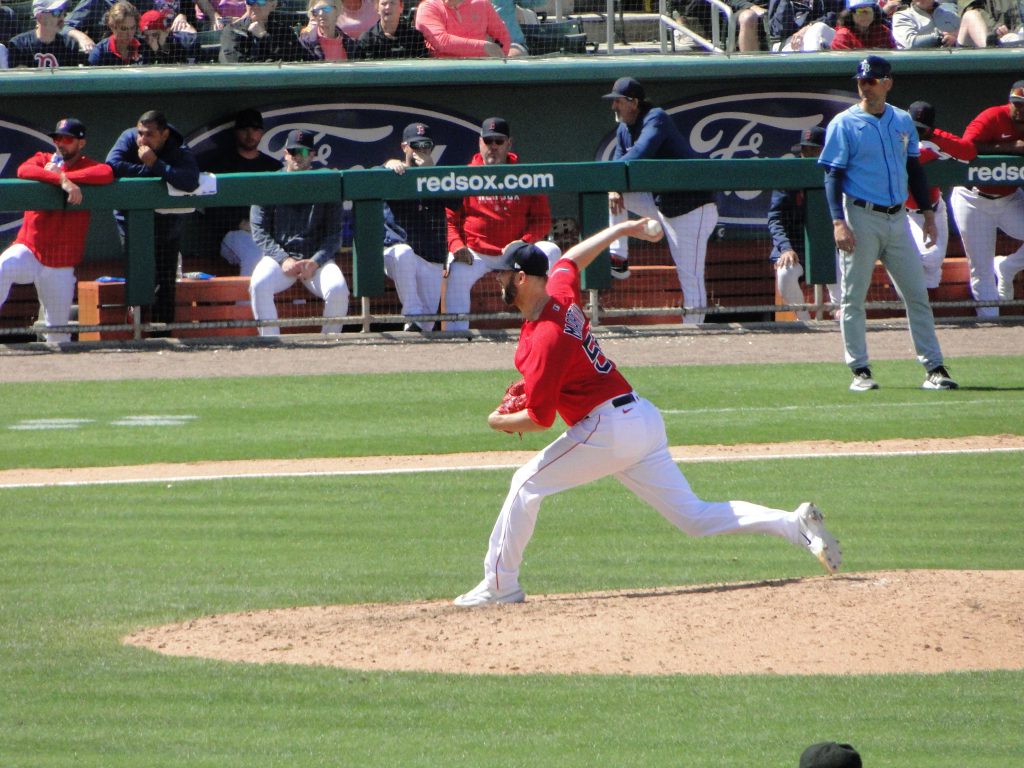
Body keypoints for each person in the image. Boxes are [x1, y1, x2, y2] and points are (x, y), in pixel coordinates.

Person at [451, 223, 842, 607]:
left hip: (608, 429)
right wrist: (625, 227)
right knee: (694, 517)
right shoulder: (558, 292)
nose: (496, 279)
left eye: (501, 273)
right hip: (640, 418)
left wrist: (496, 421)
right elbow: (571, 258)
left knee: (525, 484)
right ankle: (793, 525)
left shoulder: (544, 338)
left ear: (520, 278)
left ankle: (500, 584)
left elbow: (540, 419)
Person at [818, 55, 957, 392]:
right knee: (852, 297)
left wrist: (926, 213)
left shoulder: (901, 120)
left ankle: (934, 368)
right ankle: (860, 370)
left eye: (872, 80)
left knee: (916, 294)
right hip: (860, 216)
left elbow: (914, 170)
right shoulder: (844, 123)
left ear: (887, 82)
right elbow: (832, 176)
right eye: (861, 81)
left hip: (898, 217)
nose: (865, 86)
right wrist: (838, 222)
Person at [602, 76, 718, 325]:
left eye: (618, 102)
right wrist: (614, 186)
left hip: (692, 207)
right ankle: (618, 258)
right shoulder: (624, 128)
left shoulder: (656, 117)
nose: (614, 107)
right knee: (613, 194)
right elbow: (617, 164)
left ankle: (694, 333)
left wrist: (614, 179)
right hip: (662, 204)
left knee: (690, 276)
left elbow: (641, 153)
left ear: (633, 102)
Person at [0, 118, 113, 343]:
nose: (61, 143)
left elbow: (106, 173)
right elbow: (24, 170)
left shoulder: (88, 166)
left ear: (81, 143)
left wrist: (64, 178)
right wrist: (59, 179)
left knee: (58, 334)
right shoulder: (43, 159)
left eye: (67, 139)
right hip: (31, 249)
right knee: (4, 266)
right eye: (57, 138)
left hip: (61, 260)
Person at [443, 116, 561, 332]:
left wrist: (523, 243)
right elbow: (450, 220)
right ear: (480, 143)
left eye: (499, 141)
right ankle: (455, 334)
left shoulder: (526, 175)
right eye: (488, 141)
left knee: (550, 250)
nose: (493, 147)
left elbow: (541, 220)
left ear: (509, 143)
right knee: (456, 270)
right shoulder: (465, 175)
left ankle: (551, 322)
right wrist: (457, 246)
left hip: (516, 253)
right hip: (477, 253)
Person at [248, 129, 350, 337]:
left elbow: (334, 235)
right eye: (293, 152)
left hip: (315, 261)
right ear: (285, 153)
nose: (297, 157)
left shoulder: (326, 183)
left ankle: (329, 343)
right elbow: (259, 230)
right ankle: (270, 341)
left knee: (338, 288)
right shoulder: (270, 183)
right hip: (280, 259)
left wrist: (316, 261)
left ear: (312, 154)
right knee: (258, 284)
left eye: (303, 152)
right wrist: (282, 258)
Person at [106, 109, 200, 329]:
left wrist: (156, 163)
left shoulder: (175, 144)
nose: (142, 140)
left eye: (149, 134)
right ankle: (134, 331)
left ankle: (163, 333)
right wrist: (151, 170)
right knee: (138, 273)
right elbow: (112, 165)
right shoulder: (128, 139)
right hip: (130, 218)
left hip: (167, 222)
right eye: (140, 133)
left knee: (166, 278)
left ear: (164, 134)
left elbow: (190, 180)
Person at [949, 82, 1024, 316]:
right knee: (980, 268)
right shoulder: (993, 116)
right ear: (1010, 101)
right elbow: (966, 147)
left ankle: (1006, 266)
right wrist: (1010, 147)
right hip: (973, 199)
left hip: (1009, 198)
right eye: (1017, 104)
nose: (1020, 110)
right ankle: (990, 324)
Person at [198, 108, 282, 277]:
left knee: (288, 256)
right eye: (245, 129)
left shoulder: (273, 167)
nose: (250, 135)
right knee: (254, 255)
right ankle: (245, 303)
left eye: (255, 130)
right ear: (236, 132)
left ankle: (294, 303)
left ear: (262, 132)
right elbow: (211, 211)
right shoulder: (220, 166)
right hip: (232, 234)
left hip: (267, 233)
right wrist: (241, 223)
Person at [381, 122, 449, 332]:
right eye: (415, 144)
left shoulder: (441, 177)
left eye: (426, 145)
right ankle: (412, 312)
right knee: (404, 253)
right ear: (404, 147)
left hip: (430, 256)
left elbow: (456, 202)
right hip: (397, 254)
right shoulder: (393, 173)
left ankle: (414, 355)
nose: (421, 149)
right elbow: (367, 178)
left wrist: (433, 177)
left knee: (424, 325)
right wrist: (386, 165)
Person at [767, 126, 839, 321]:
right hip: (796, 244)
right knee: (785, 274)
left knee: (842, 287)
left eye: (815, 150)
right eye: (806, 150)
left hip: (830, 244)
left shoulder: (835, 174)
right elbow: (775, 218)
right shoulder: (789, 175)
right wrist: (785, 248)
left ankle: (840, 317)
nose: (809, 154)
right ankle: (804, 319)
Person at [904, 101, 976, 290]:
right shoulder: (894, 136)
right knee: (920, 260)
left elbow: (968, 151)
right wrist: (925, 151)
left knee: (933, 267)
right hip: (903, 212)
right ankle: (910, 311)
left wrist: (936, 144)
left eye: (922, 129)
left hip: (934, 209)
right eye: (913, 128)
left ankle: (929, 316)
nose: (916, 133)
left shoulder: (936, 138)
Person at [64, 0, 195, 54]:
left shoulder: (147, 2)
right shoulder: (96, 1)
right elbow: (64, 26)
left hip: (140, 60)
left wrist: (180, 16)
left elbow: (159, 29)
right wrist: (81, 37)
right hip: (104, 61)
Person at [415, 0, 521, 58]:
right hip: (444, 73)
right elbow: (442, 42)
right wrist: (484, 47)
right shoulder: (428, 7)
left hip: (482, 69)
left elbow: (502, 38)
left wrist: (499, 52)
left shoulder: (482, 4)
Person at [219, 0, 312, 62]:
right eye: (250, 1)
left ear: (273, 5)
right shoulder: (232, 30)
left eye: (261, 1)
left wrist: (264, 36)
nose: (254, 6)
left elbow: (294, 57)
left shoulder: (283, 30)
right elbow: (234, 61)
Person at [6, 0, 86, 68]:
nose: (62, 17)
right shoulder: (19, 45)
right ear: (40, 17)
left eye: (63, 12)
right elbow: (21, 82)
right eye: (56, 12)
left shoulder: (69, 44)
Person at [353, 0, 427, 58]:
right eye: (384, 3)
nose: (388, 7)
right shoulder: (367, 39)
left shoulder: (415, 37)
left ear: (401, 7)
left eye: (392, 2)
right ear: (377, 8)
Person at [768, 0, 843, 52]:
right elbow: (778, 30)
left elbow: (831, 17)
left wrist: (808, 28)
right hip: (789, 43)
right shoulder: (780, 2)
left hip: (822, 37)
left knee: (818, 28)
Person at [86, 0, 141, 65]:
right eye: (124, 29)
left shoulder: (143, 47)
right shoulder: (99, 52)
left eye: (132, 28)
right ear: (112, 27)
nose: (129, 34)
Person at [892, 0, 960, 47]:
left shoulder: (951, 15)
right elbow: (910, 43)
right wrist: (941, 37)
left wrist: (955, 39)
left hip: (951, 60)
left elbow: (963, 38)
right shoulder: (902, 16)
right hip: (918, 63)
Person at [829, 0, 896, 48]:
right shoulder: (843, 35)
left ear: (874, 13)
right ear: (850, 14)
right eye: (860, 11)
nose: (864, 15)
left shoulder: (883, 32)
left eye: (868, 10)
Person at [956, 0, 1023, 47]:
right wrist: (995, 29)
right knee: (970, 15)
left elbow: (1017, 21)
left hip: (1010, 39)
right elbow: (970, 8)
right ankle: (991, 49)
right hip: (975, 42)